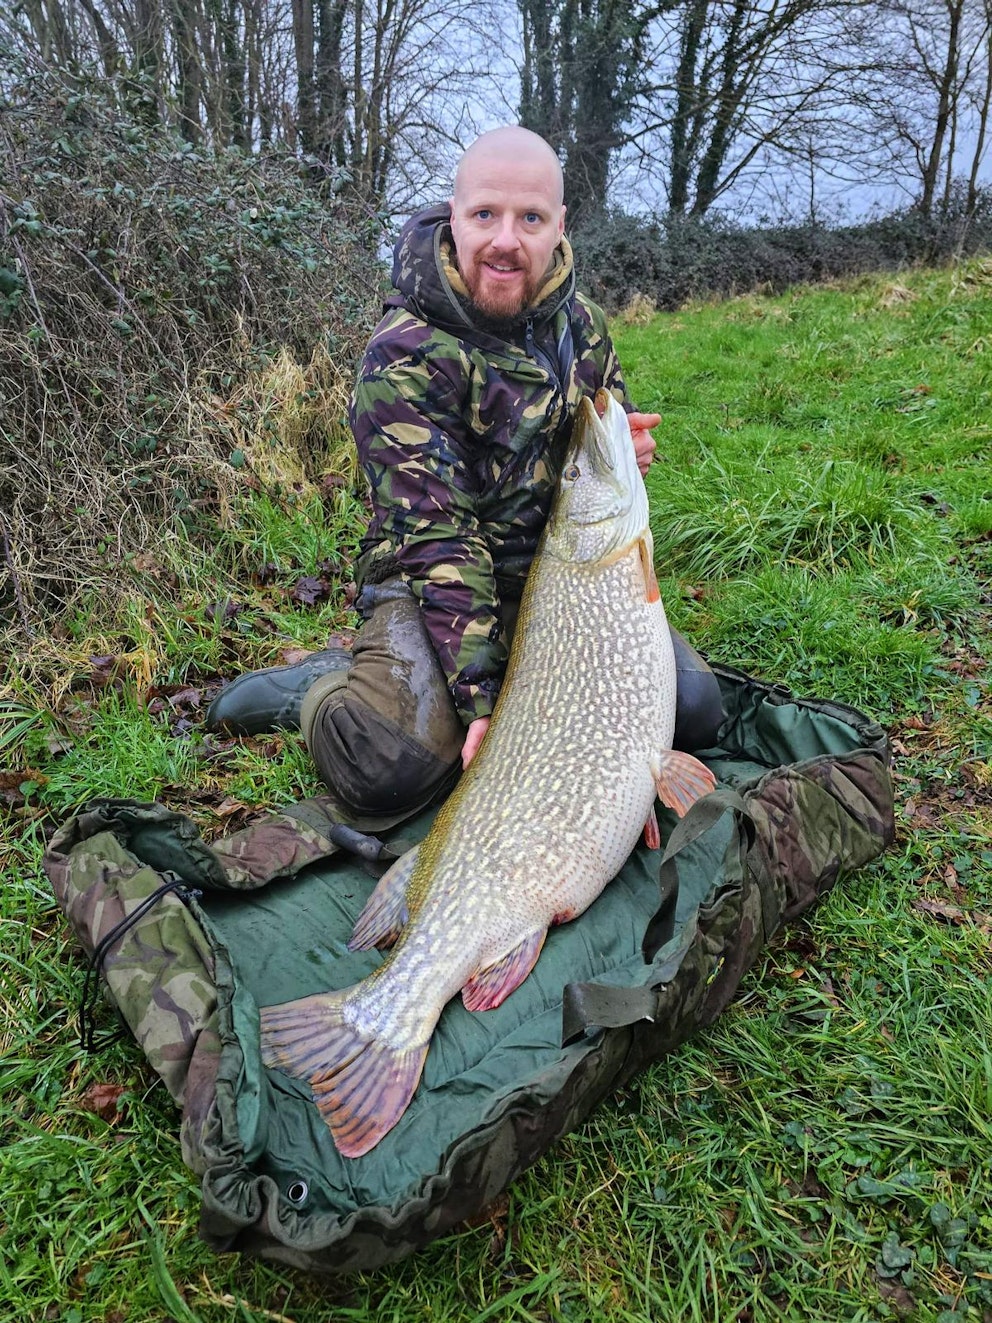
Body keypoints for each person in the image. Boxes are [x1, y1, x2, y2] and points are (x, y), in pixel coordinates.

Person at [207, 126, 723, 827]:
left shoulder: (586, 328)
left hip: (555, 578)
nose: (506, 239)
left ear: (559, 228)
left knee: (695, 709)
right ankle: (319, 688)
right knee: (387, 767)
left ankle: (498, 671)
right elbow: (438, 535)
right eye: (486, 215)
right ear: (453, 215)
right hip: (429, 582)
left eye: (530, 218)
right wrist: (480, 699)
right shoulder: (402, 355)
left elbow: (597, 462)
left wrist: (626, 459)